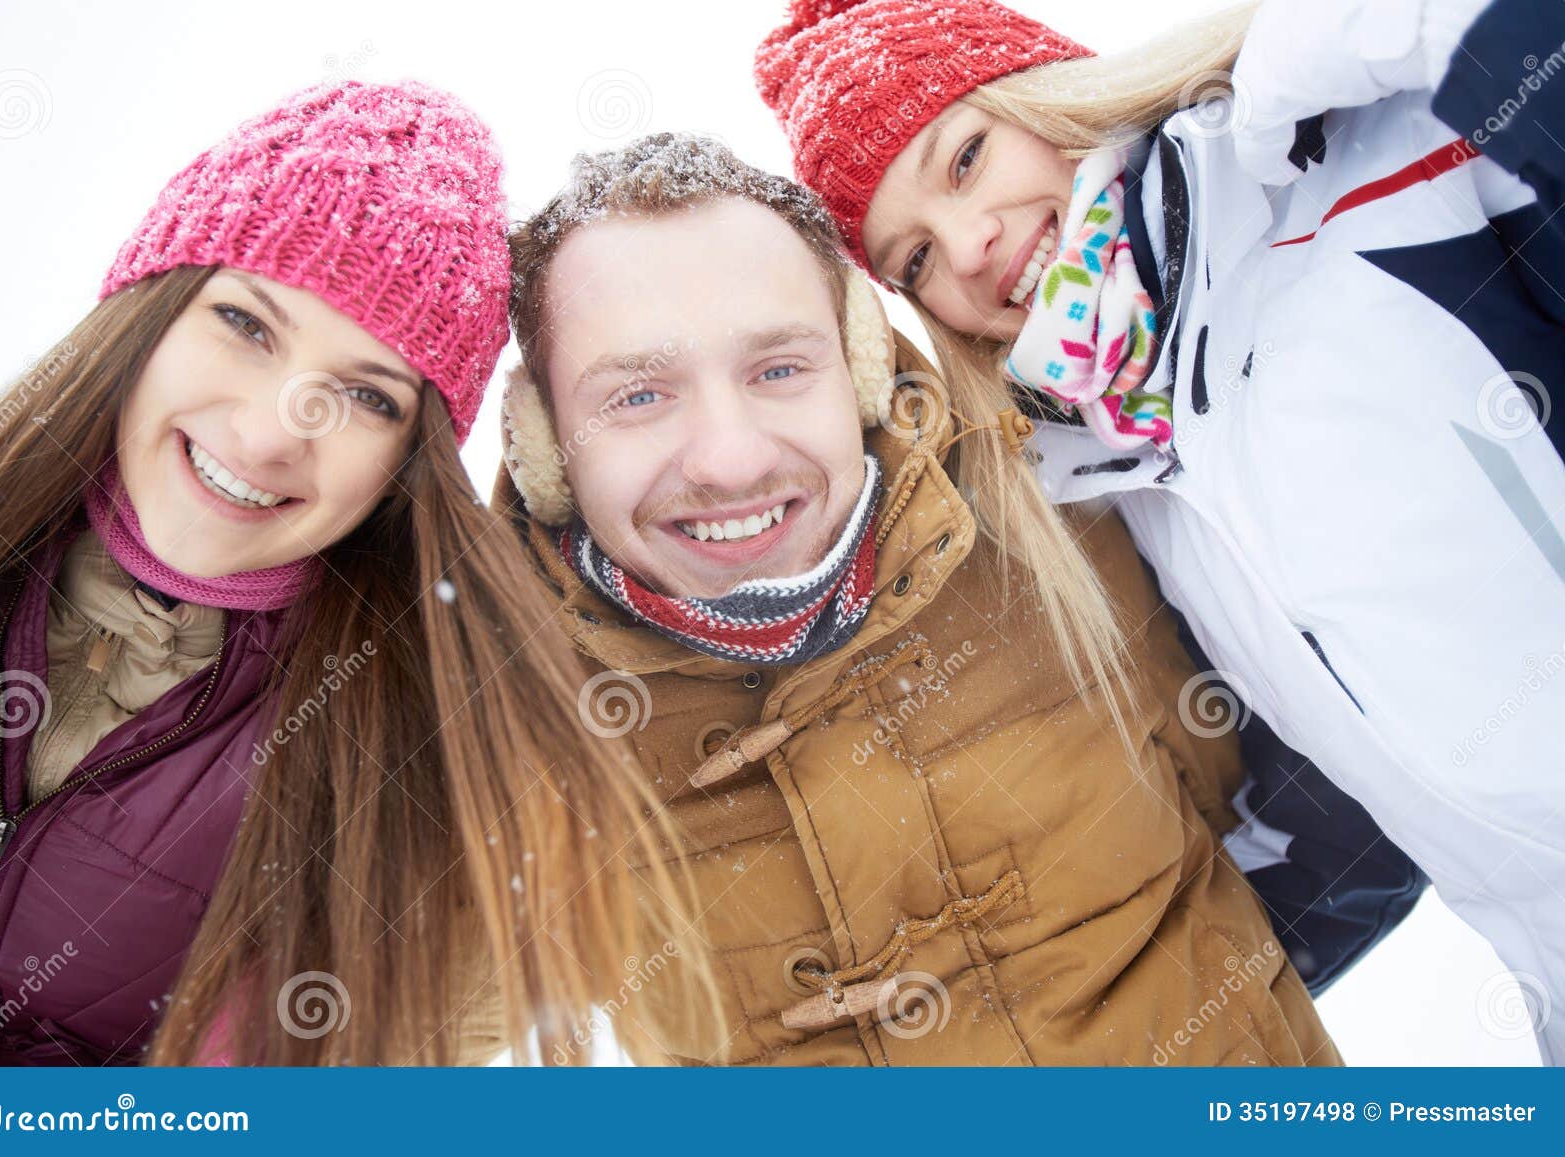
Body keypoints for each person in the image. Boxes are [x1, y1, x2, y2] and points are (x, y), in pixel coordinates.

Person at [755, 0, 1565, 1061]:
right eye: (909, 263)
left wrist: (1395, 25)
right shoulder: (1113, 478)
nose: (969, 247)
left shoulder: (1383, 170)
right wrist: (1071, 1014)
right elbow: (1339, 817)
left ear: (1044, 94)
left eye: (963, 160)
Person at [497, 131, 1340, 1065]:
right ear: (543, 440)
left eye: (779, 370)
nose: (729, 458)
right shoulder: (499, 705)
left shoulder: (1044, 503)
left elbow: (1265, 798)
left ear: (858, 361)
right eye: (640, 396)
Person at [0, 81, 710, 1066]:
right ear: (147, 314)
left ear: (408, 459)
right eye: (246, 324)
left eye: (364, 394)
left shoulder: (408, 771)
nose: (275, 431)